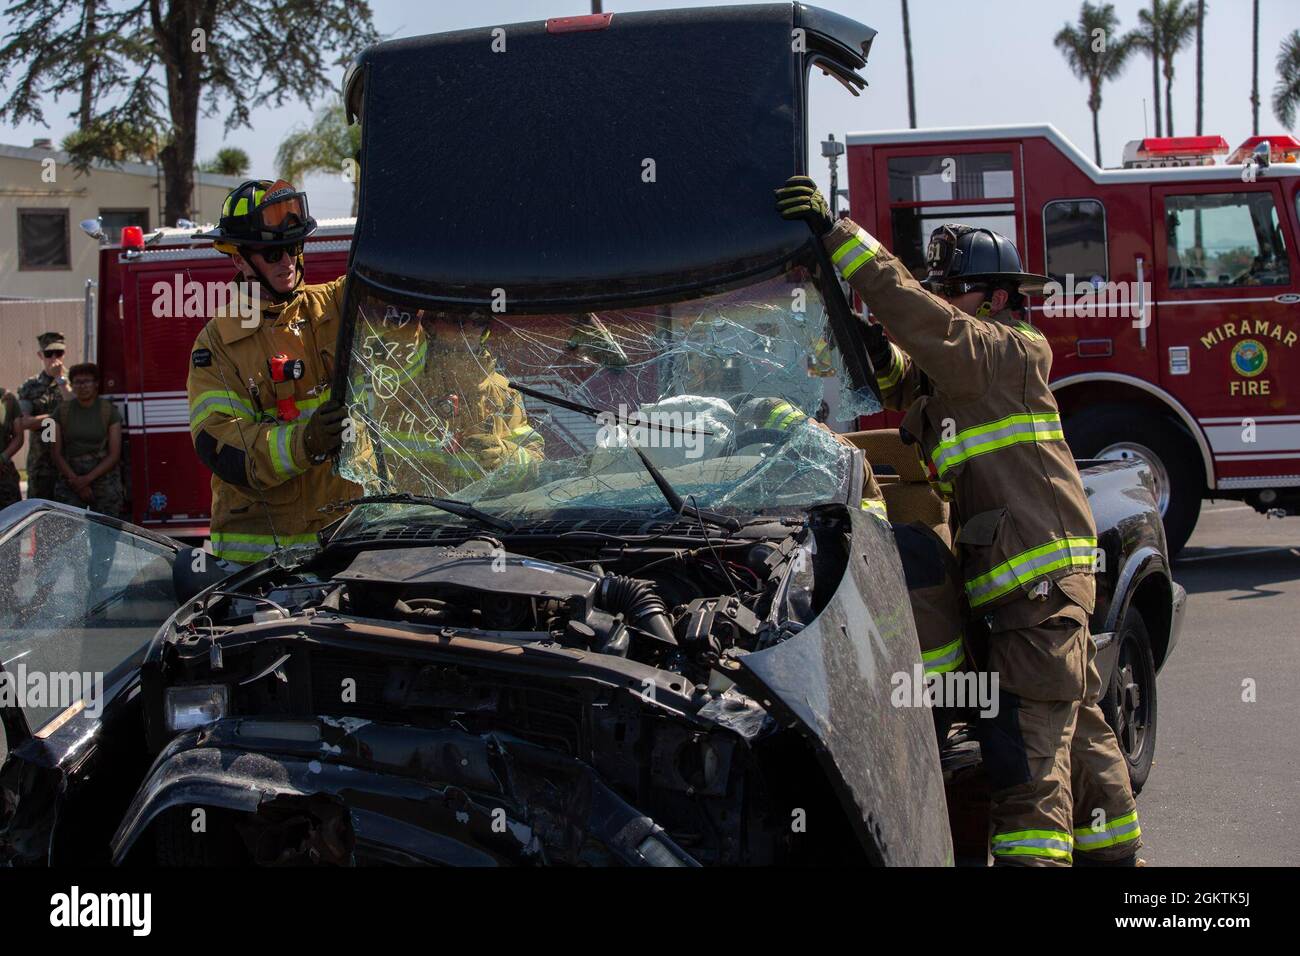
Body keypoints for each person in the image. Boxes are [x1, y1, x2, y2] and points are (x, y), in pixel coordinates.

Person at [776, 176, 1141, 867]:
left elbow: (924, 324)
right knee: (1076, 721)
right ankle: (1118, 857)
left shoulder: (1007, 352)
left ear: (998, 299)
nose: (946, 301)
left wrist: (837, 234)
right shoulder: (963, 376)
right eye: (942, 290)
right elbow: (902, 378)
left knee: (1027, 755)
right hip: (1035, 592)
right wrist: (855, 327)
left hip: (1034, 590)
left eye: (957, 291)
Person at [189, 179, 356, 564]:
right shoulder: (216, 345)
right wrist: (306, 443)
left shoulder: (332, 304)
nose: (288, 261)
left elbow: (387, 279)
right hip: (264, 561)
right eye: (273, 252)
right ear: (238, 259)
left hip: (346, 537)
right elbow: (222, 446)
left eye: (295, 247)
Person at [50, 363, 124, 517]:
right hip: (70, 477)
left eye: (87, 381)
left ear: (96, 383)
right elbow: (55, 453)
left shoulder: (109, 411)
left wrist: (86, 480)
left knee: (107, 530)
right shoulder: (60, 411)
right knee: (68, 531)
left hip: (103, 476)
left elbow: (114, 454)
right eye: (77, 382)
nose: (82, 386)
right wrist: (76, 481)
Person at [17, 331, 73, 501]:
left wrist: (60, 379)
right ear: (40, 355)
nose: (54, 358)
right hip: (41, 463)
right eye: (49, 354)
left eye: (59, 353)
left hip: (69, 463)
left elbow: (76, 409)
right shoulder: (30, 386)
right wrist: (56, 416)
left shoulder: (74, 380)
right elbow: (24, 421)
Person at [0, 385, 22, 509]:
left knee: (11, 522)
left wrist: (2, 458)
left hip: (3, 474)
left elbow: (18, 437)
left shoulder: (8, 399)